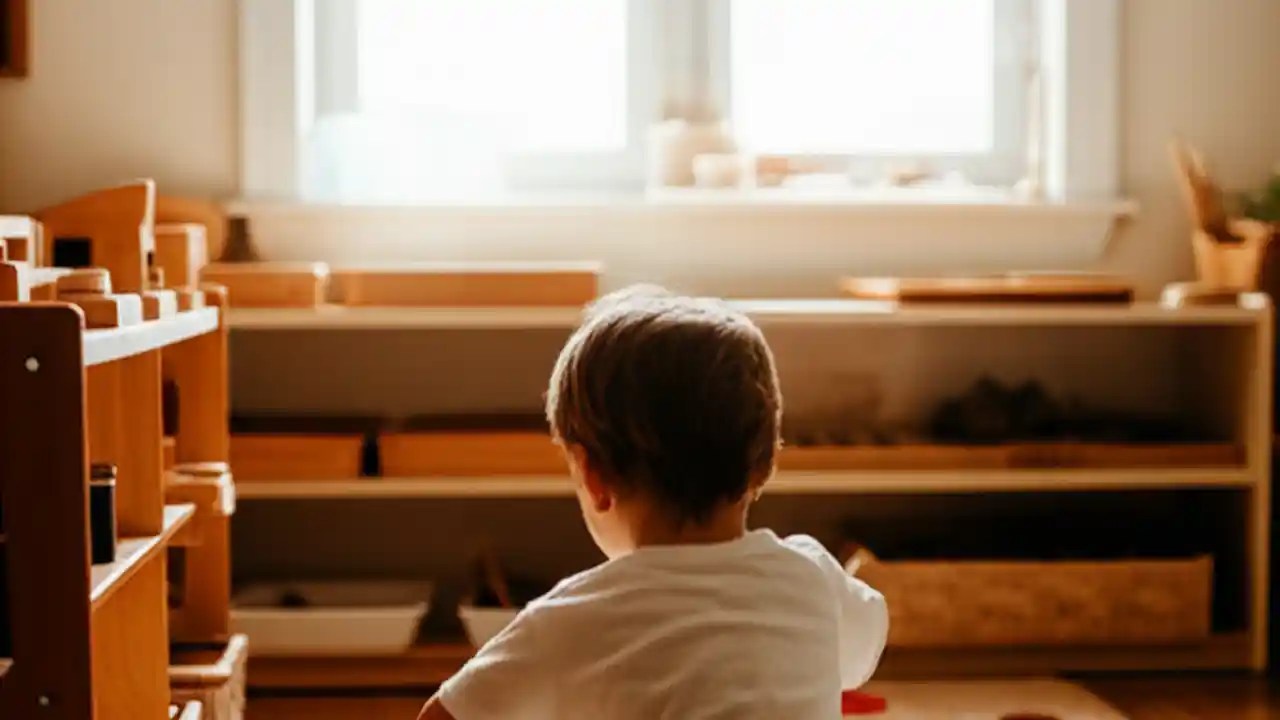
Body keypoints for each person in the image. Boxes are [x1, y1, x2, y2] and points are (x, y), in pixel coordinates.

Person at [419, 286, 887, 720]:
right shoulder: (812, 577)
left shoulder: (572, 618)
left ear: (594, 477)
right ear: (762, 464)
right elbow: (866, 643)